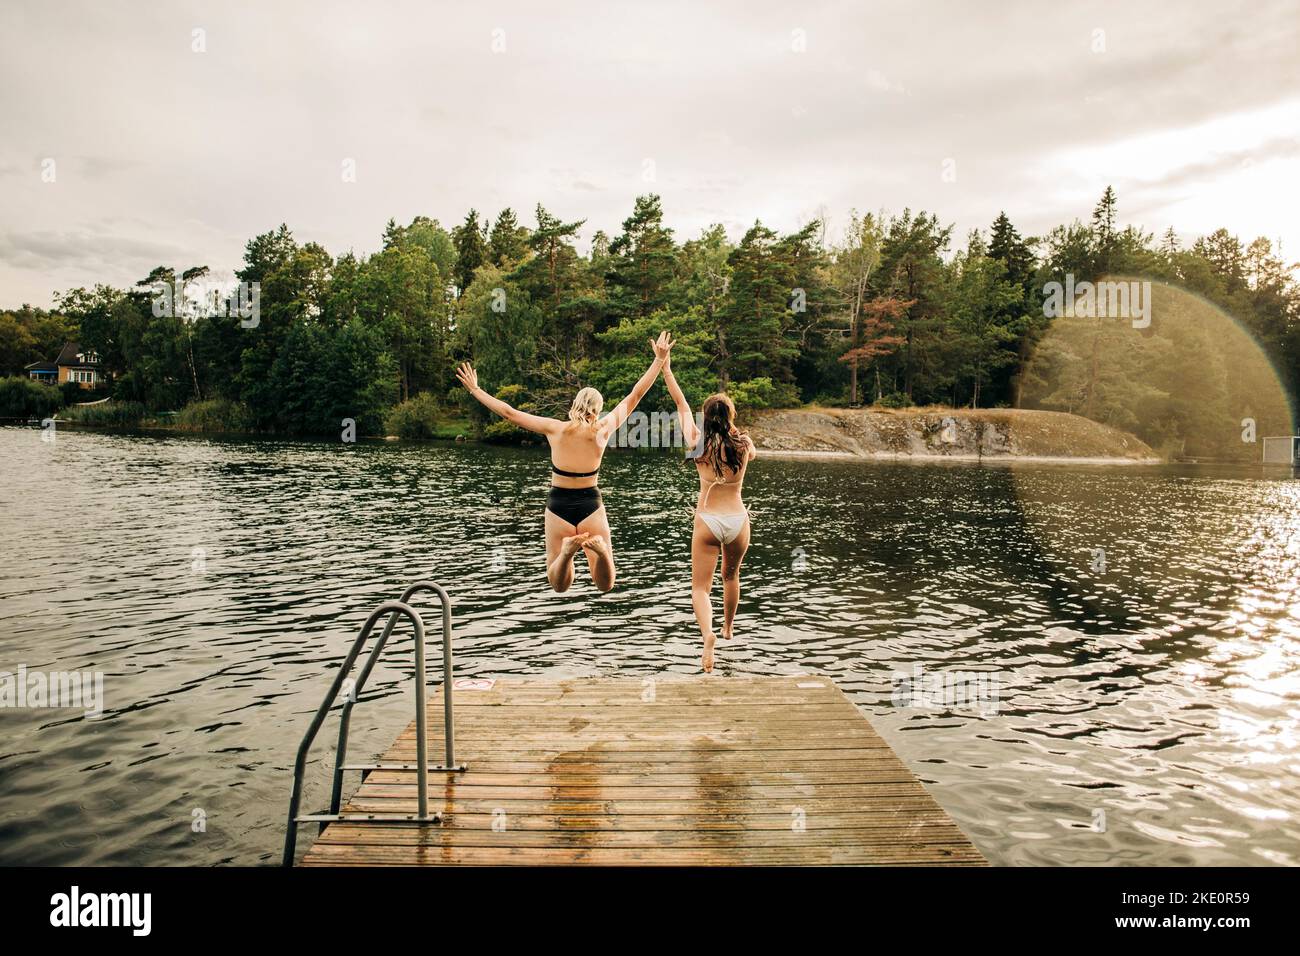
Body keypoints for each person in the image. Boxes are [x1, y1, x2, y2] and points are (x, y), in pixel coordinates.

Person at [455, 331, 674, 593]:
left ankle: (567, 554)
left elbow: (509, 413)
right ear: (598, 408)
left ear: (575, 405)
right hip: (590, 504)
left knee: (558, 584)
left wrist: (476, 390)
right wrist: (659, 361)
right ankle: (602, 554)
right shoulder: (602, 431)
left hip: (558, 503)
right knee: (606, 584)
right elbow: (636, 394)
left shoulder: (555, 429)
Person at [662, 358, 755, 672]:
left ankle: (708, 635)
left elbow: (680, 402)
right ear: (730, 418)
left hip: (707, 521)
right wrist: (731, 427)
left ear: (706, 417)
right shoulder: (743, 445)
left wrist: (666, 367)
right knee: (731, 575)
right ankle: (729, 628)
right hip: (738, 521)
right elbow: (746, 447)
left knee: (700, 588)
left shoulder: (697, 443)